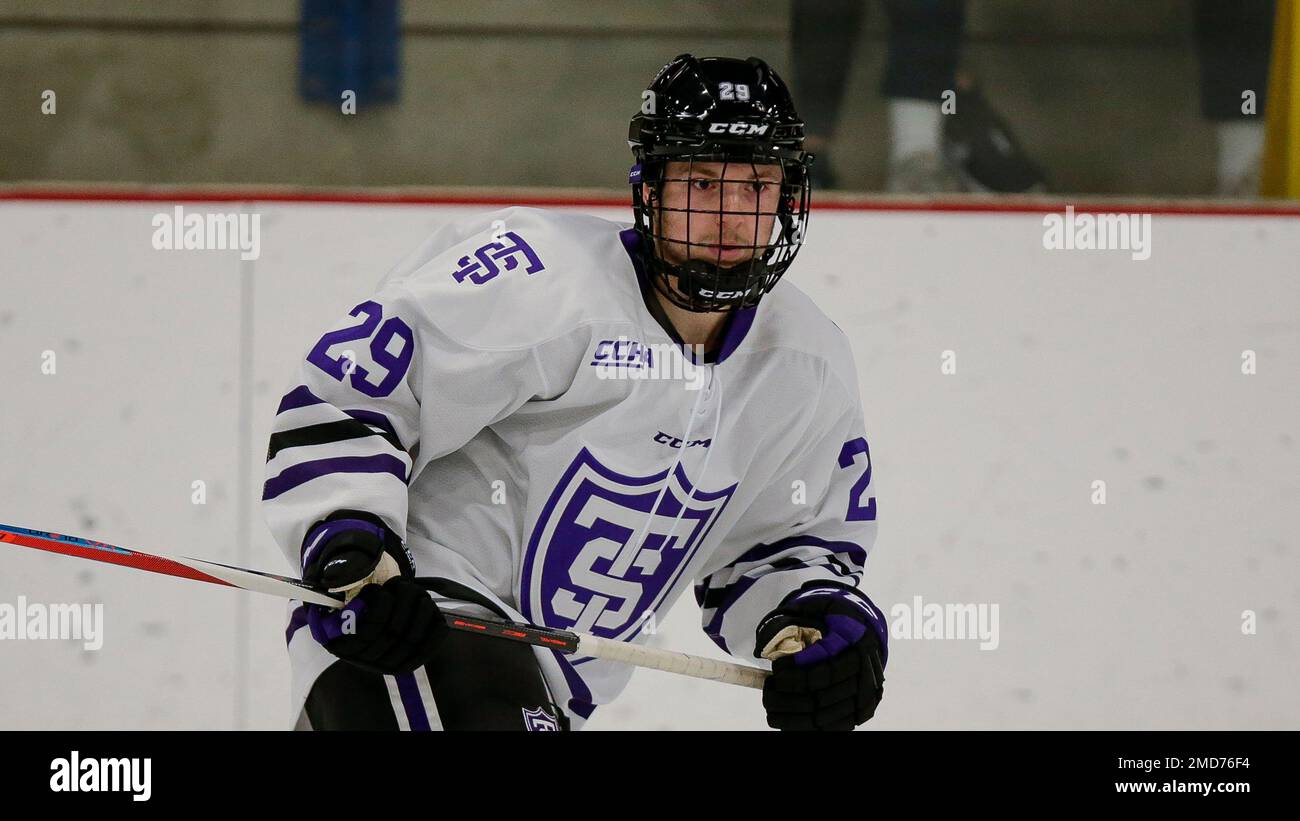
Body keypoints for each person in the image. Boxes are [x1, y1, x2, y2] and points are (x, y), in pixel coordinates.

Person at [264, 54, 888, 731]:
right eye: (703, 182)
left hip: (551, 688)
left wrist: (813, 626)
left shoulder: (805, 363)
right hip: (415, 620)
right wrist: (355, 548)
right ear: (649, 190)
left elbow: (784, 547)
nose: (731, 215)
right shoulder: (543, 278)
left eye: (756, 186)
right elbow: (355, 386)